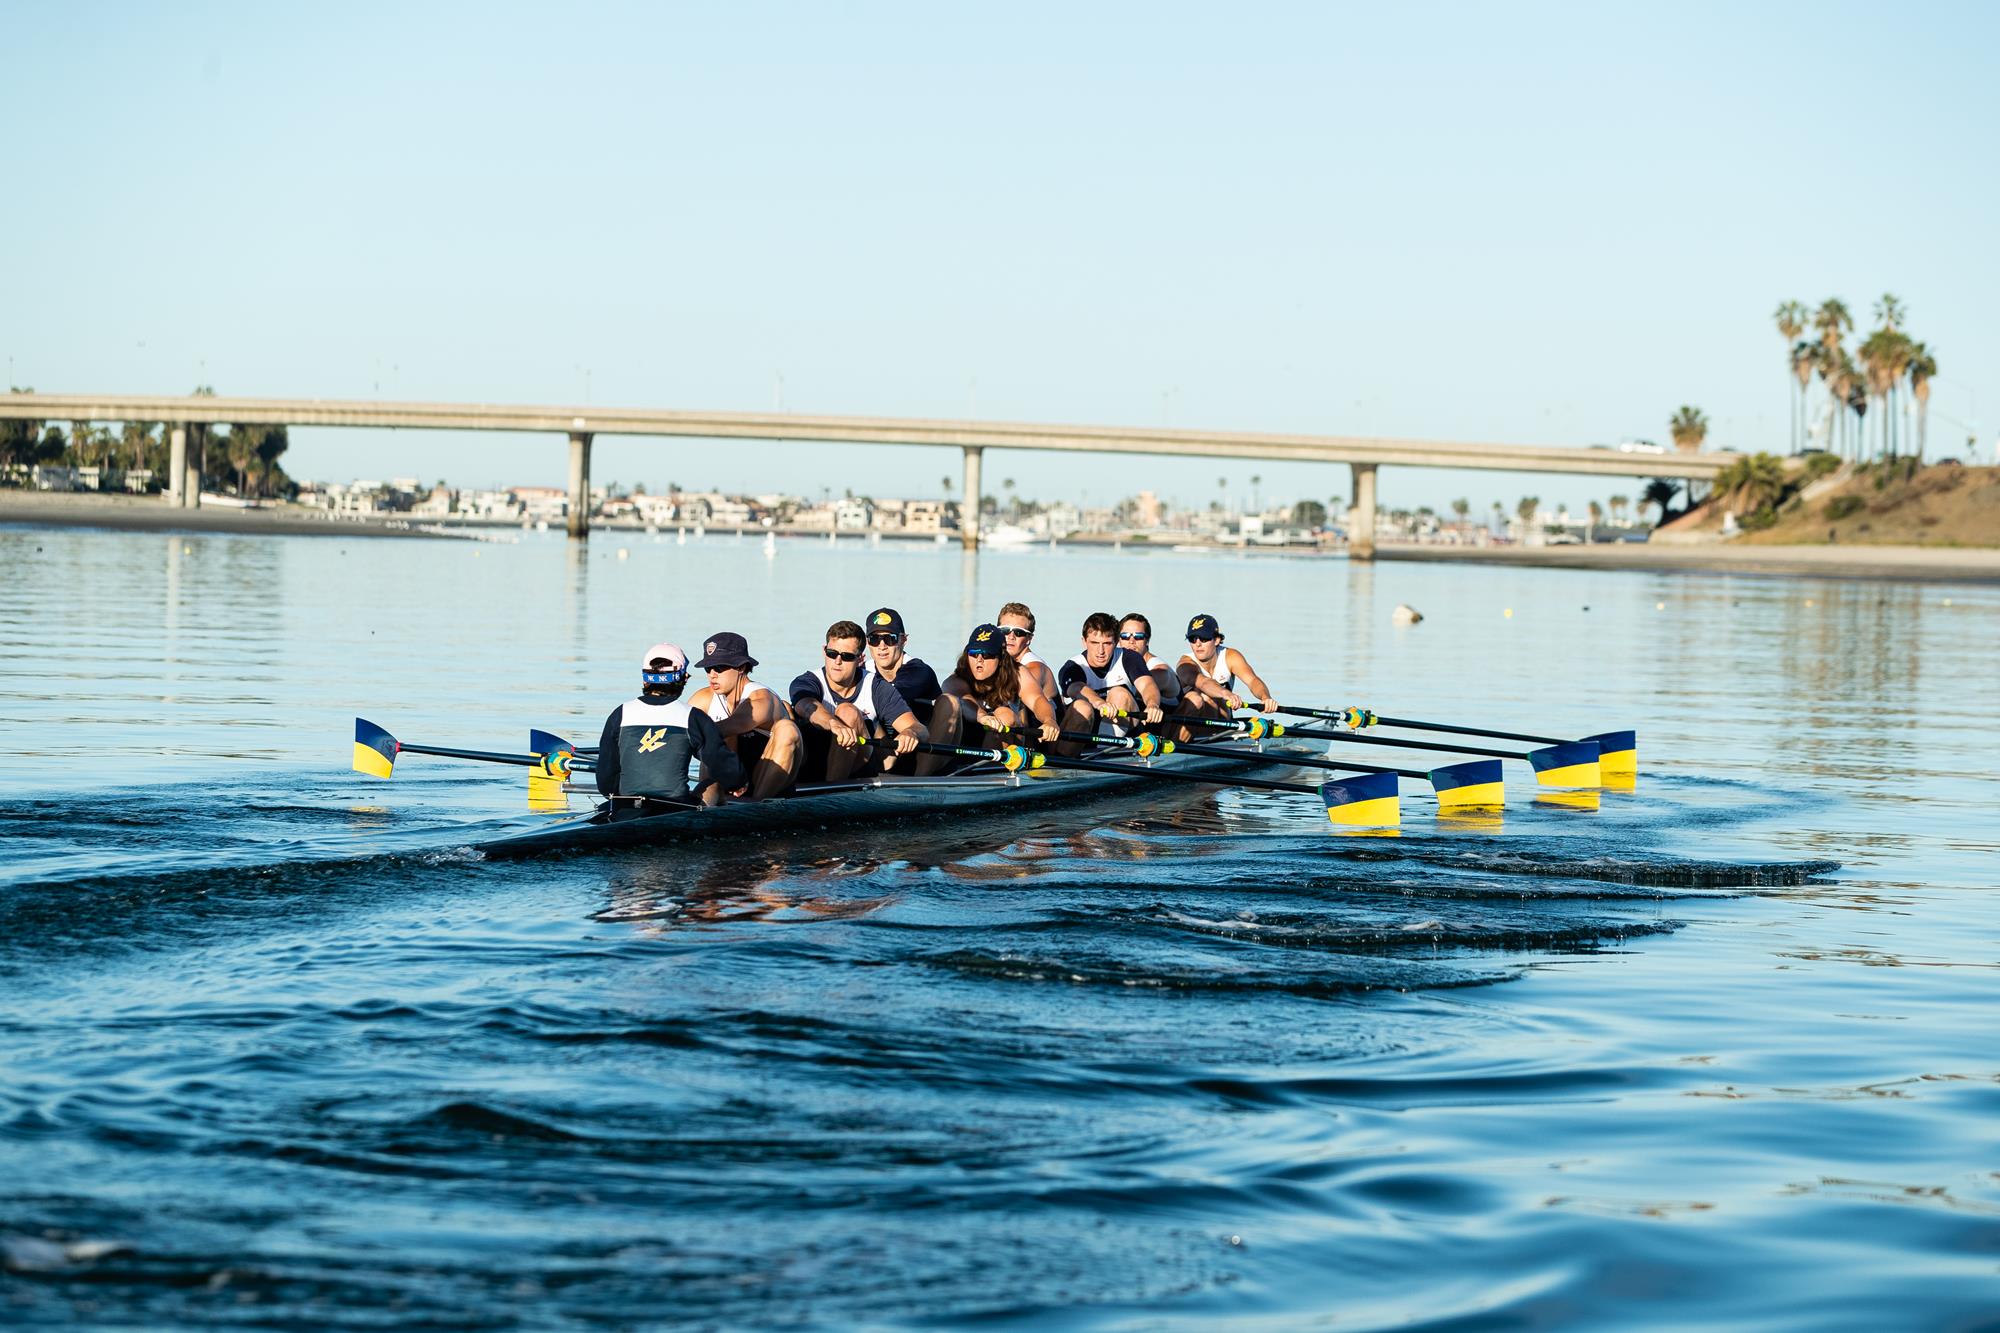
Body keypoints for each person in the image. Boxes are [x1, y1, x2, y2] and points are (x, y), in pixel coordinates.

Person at [593, 642, 746, 813]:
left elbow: (606, 784)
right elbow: (727, 770)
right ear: (683, 679)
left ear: (645, 680)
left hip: (625, 808)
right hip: (675, 810)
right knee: (713, 785)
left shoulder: (619, 715)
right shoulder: (692, 717)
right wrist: (738, 783)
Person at [790, 619, 927, 783]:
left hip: (861, 764)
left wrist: (910, 733)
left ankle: (832, 788)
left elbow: (920, 729)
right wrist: (834, 724)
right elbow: (806, 706)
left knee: (847, 712)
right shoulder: (807, 682)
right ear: (824, 651)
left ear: (860, 659)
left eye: (847, 656)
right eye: (832, 653)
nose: (837, 661)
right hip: (815, 760)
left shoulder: (876, 687)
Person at [921, 624, 1061, 773]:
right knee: (997, 713)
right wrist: (982, 717)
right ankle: (926, 776)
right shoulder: (957, 680)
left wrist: (1049, 721)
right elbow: (965, 699)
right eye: (973, 653)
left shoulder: (1018, 673)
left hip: (1005, 748)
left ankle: (994, 774)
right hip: (965, 750)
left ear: (1001, 657)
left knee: (1004, 715)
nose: (979, 660)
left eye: (987, 654)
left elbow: (1038, 700)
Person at [686, 631, 802, 799]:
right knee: (710, 732)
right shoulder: (703, 698)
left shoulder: (761, 699)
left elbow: (735, 723)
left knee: (787, 728)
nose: (712, 674)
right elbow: (676, 726)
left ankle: (757, 805)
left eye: (719, 668)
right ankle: (709, 801)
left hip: (769, 784)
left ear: (741, 667)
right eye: (708, 668)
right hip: (730, 783)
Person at [1056, 611, 1164, 752]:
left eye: (1107, 643)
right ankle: (1064, 759)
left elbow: (1147, 685)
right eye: (1094, 643)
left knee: (1119, 693)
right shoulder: (1072, 667)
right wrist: (1099, 703)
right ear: (1084, 641)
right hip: (1084, 734)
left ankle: (1102, 753)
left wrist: (1152, 704)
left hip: (1126, 730)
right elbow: (1077, 688)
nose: (1100, 651)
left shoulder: (1129, 658)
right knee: (1082, 707)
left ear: (1116, 642)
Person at [1177, 613, 1277, 723]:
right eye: (1192, 639)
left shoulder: (1231, 657)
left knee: (1218, 700)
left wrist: (1265, 697)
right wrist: (1226, 694)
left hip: (1221, 718)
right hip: (1186, 724)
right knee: (1201, 697)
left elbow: (1253, 681)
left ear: (1216, 640)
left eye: (1204, 638)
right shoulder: (1185, 664)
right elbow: (1203, 683)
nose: (1198, 644)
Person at [860, 607, 943, 726]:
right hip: (882, 734)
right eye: (874, 639)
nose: (882, 646)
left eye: (890, 639)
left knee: (949, 701)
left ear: (903, 640)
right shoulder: (863, 670)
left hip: (922, 734)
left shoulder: (920, 671)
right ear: (867, 642)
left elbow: (892, 695)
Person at [1117, 612, 1182, 717]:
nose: (1131, 641)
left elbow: (1143, 686)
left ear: (1147, 640)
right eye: (1125, 636)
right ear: (1118, 640)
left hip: (1167, 724)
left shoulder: (1160, 670)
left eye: (1138, 636)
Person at [996, 601, 1059, 704]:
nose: (1011, 637)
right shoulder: (991, 660)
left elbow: (1010, 693)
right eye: (1005, 630)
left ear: (1029, 638)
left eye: (1019, 632)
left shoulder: (1036, 668)